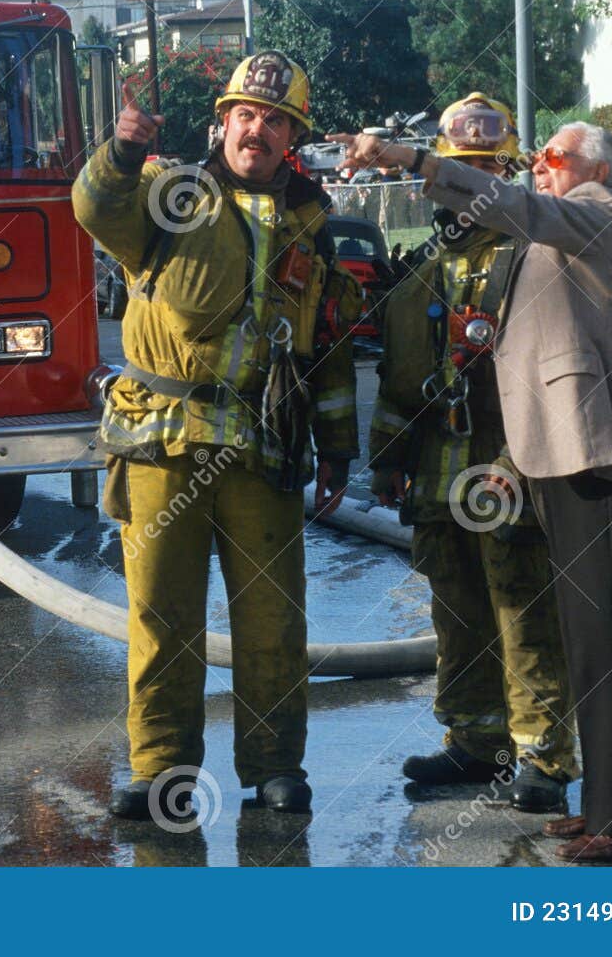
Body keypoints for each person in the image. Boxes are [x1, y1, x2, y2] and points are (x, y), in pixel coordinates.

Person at [331, 120, 612, 863]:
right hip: (563, 455)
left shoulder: (602, 210)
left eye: (556, 158)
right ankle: (607, 807)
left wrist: (412, 159)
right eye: (540, 158)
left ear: (598, 171)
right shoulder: (561, 230)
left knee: (608, 643)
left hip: (601, 453)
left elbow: (521, 207)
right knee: (588, 642)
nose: (541, 168)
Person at [74, 52, 362, 821]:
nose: (257, 131)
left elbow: (327, 349)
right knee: (163, 617)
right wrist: (123, 151)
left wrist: (337, 450)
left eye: (274, 121)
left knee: (273, 621)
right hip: (163, 438)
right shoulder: (173, 193)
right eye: (245, 116)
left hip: (263, 447)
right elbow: (97, 210)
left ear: (291, 136)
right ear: (222, 123)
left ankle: (274, 767)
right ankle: (160, 767)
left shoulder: (313, 223)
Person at [369, 93, 578, 813]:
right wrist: (385, 458)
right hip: (436, 467)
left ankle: (543, 758)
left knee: (522, 606)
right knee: (455, 610)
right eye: (462, 168)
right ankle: (474, 742)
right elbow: (398, 378)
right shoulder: (425, 269)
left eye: (490, 169)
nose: (473, 183)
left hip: (510, 465)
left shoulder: (538, 257)